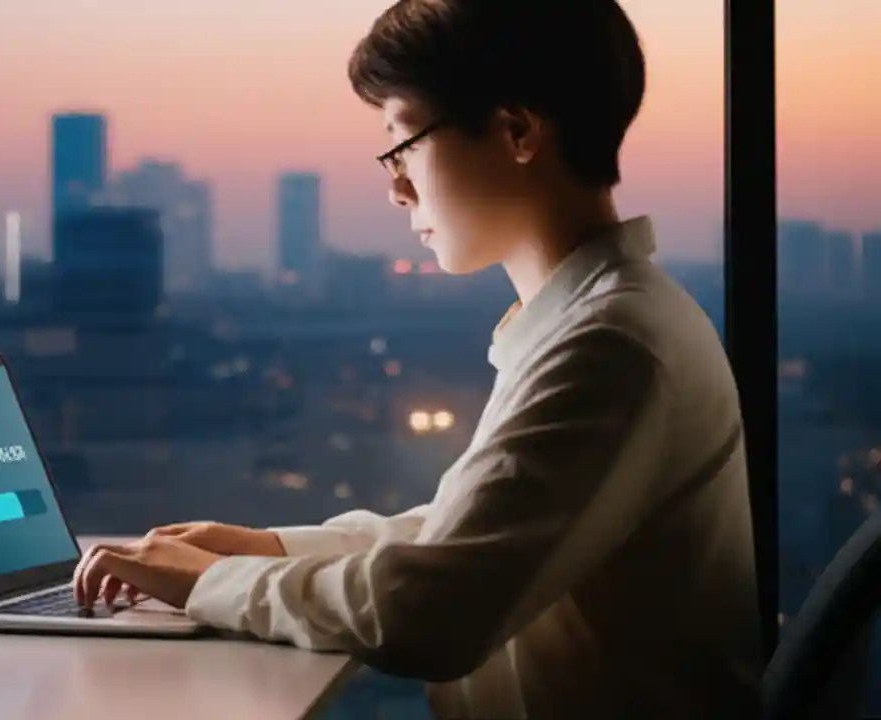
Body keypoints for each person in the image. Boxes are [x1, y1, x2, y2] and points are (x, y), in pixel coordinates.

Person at [71, 0, 763, 716]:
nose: (396, 189)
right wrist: (267, 549)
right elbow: (464, 540)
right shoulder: (606, 318)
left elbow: (431, 614)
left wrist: (203, 585)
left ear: (518, 131)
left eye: (404, 145)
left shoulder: (610, 346)